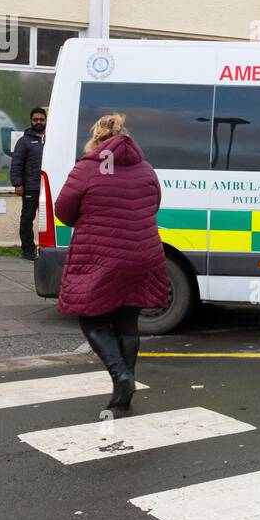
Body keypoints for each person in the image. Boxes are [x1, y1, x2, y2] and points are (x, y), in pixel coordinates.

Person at [54, 114, 168, 412]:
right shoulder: (145, 168)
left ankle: (121, 376)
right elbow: (153, 204)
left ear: (96, 140)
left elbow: (64, 212)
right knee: (127, 319)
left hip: (101, 254)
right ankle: (125, 389)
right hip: (143, 253)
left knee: (90, 316)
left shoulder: (88, 169)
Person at [10, 107, 47, 261]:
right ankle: (28, 250)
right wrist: (18, 184)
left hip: (48, 188)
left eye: (41, 119)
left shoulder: (53, 138)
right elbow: (16, 164)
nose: (38, 122)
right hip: (31, 187)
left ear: (46, 120)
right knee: (27, 219)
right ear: (31, 121)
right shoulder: (24, 141)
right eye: (35, 119)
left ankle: (48, 248)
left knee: (49, 220)